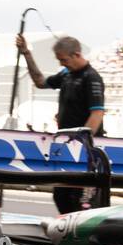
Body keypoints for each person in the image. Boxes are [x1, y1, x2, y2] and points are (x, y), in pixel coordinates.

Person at [15, 33, 105, 214]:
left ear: (77, 55)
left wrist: (83, 146)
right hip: (66, 147)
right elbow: (40, 82)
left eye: (63, 60)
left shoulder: (91, 78)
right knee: (60, 195)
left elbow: (97, 114)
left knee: (80, 201)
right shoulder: (66, 74)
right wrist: (26, 53)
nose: (61, 64)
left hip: (82, 150)